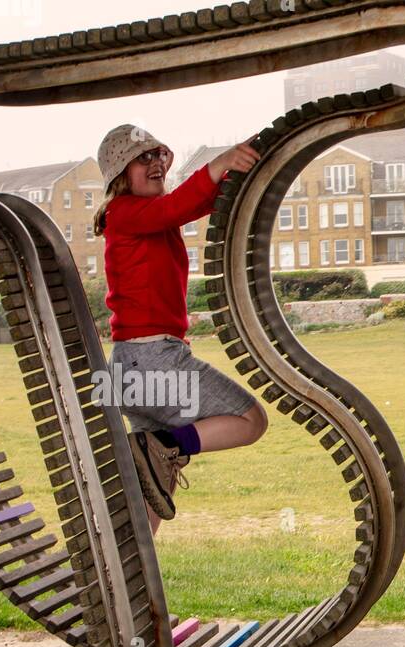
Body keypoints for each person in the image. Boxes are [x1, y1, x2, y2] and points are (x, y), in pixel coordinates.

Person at [95, 124, 268, 533]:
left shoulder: (146, 217)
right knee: (250, 420)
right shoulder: (124, 212)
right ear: (121, 174)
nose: (156, 163)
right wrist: (220, 162)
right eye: (143, 158)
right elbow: (176, 207)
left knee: (156, 488)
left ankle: (132, 577)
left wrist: (236, 167)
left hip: (132, 368)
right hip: (152, 360)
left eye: (158, 155)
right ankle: (167, 445)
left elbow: (191, 204)